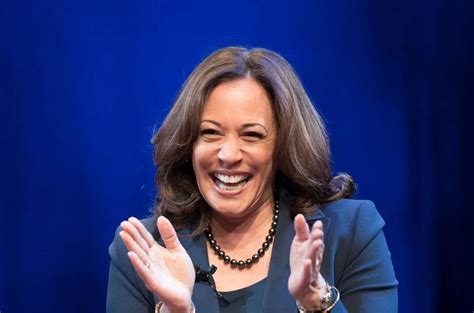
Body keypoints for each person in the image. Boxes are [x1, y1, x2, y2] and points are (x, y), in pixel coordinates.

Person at [106, 47, 398, 313]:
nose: (228, 154)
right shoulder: (143, 254)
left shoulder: (352, 232)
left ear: (283, 147)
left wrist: (316, 302)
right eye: (210, 132)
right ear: (188, 145)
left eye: (252, 135)